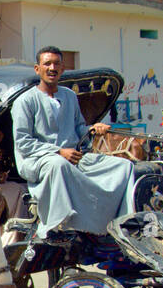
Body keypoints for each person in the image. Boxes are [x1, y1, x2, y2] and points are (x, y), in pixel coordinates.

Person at [12, 46, 134, 237]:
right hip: (38, 160)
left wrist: (93, 129)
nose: (52, 68)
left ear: (62, 69)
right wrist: (59, 151)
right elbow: (23, 142)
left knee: (123, 166)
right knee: (59, 165)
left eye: (56, 64)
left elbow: (79, 130)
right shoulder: (25, 101)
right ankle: (59, 223)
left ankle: (122, 221)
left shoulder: (69, 96)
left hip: (74, 157)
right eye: (47, 64)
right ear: (37, 69)